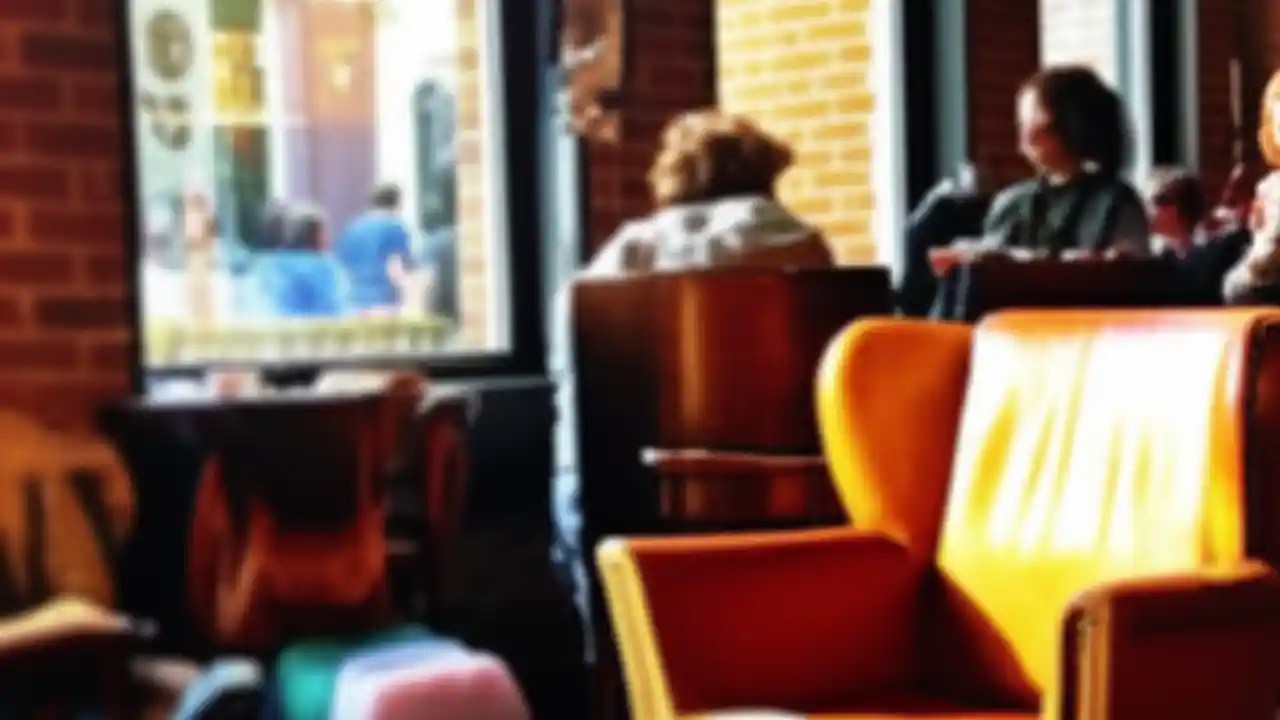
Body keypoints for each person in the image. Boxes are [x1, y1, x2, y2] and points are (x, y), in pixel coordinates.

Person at [551, 110, 832, 667]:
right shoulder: (802, 247)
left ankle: (617, 677)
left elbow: (571, 379)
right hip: (777, 502)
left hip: (625, 507)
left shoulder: (623, 255)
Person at [976, 65, 1150, 258]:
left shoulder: (1114, 202)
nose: (1028, 135)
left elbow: (1128, 271)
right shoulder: (1013, 203)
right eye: (1023, 124)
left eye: (1039, 123)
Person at [1145, 167, 1249, 303]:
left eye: (1149, 203)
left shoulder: (1213, 258)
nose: (1145, 211)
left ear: (1171, 208)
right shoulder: (1154, 256)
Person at [335, 184, 416, 315]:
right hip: (383, 300)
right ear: (397, 203)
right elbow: (396, 267)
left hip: (352, 300)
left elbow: (340, 264)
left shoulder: (352, 228)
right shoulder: (394, 227)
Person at [255, 206, 346, 318]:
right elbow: (336, 310)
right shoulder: (324, 267)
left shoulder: (267, 264)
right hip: (312, 330)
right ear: (316, 235)